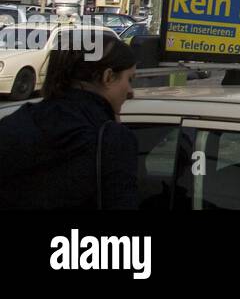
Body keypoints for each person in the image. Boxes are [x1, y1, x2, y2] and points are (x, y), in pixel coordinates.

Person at [0, 28, 139, 209]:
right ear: (108, 77)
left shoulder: (17, 121)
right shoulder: (108, 139)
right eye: (130, 79)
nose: (130, 91)